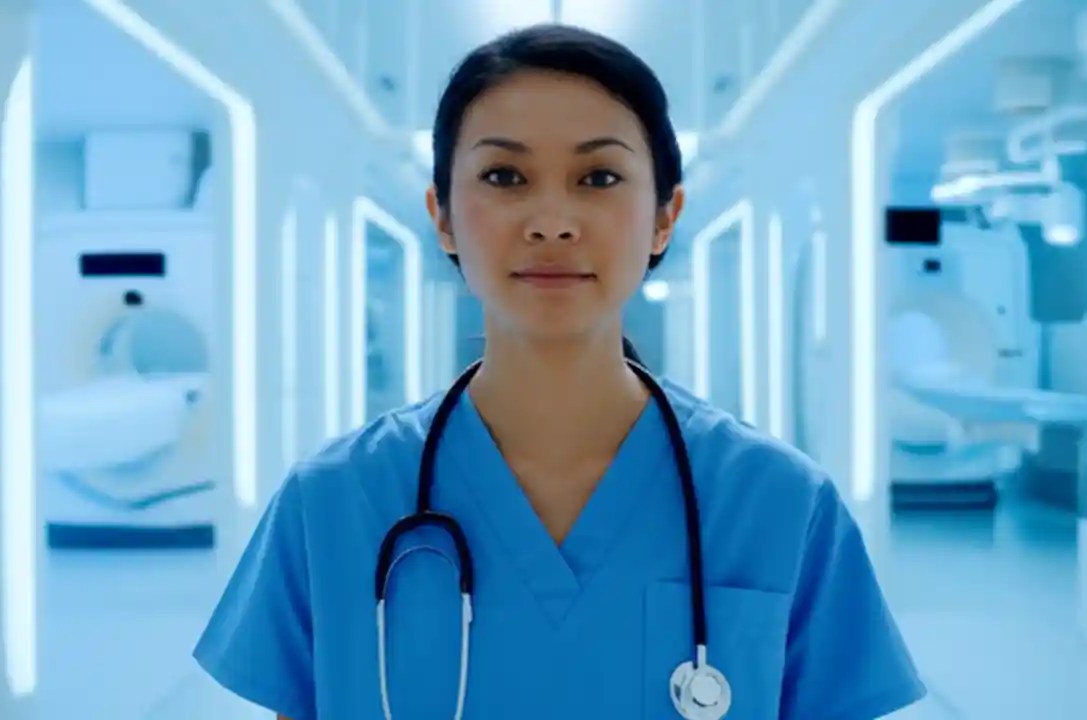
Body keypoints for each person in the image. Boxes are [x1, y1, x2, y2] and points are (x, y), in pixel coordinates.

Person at [193, 23, 926, 720]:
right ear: (442, 216)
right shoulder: (331, 505)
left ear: (665, 217)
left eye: (599, 176)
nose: (551, 220)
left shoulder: (780, 505)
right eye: (504, 175)